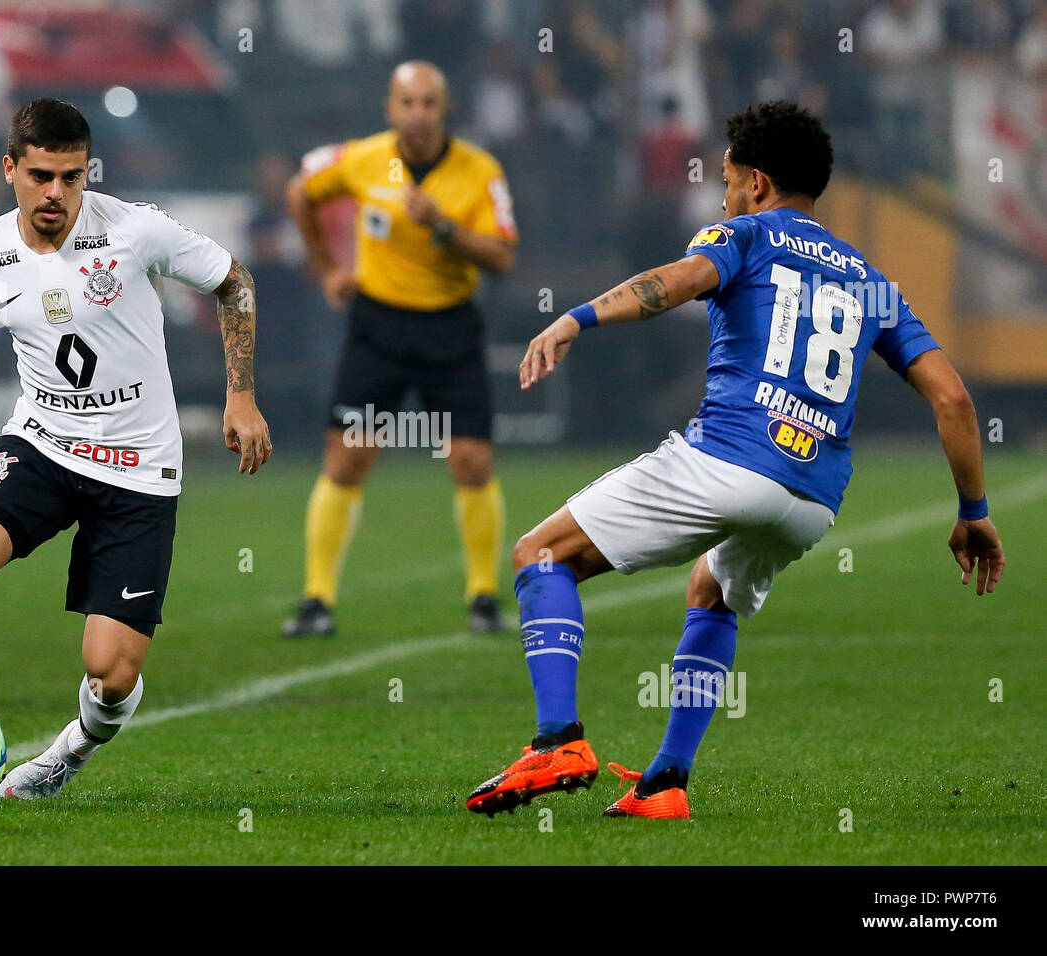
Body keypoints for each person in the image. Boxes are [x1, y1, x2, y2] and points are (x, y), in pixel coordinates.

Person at [466, 101, 1006, 820]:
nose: (721, 193)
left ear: (756, 182)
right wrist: (973, 511)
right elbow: (955, 400)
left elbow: (683, 282)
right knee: (711, 592)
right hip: (811, 501)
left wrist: (577, 318)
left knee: (542, 555)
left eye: (725, 179)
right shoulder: (874, 280)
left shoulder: (744, 234)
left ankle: (557, 739)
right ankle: (664, 786)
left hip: (728, 461)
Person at [0, 98, 270, 804]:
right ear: (10, 170)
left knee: (110, 674)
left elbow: (234, 281)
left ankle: (69, 753)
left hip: (139, 467)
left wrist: (240, 395)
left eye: (70, 176)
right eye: (39, 176)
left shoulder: (136, 229)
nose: (55, 193)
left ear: (87, 171)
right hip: (44, 445)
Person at [282, 60, 519, 638]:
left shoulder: (478, 171)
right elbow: (300, 191)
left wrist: (444, 228)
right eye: (407, 102)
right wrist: (326, 269)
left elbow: (503, 258)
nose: (417, 114)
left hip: (450, 329)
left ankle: (483, 597)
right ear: (390, 108)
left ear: (446, 109)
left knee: (471, 461)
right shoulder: (363, 158)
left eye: (428, 103)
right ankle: (318, 600)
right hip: (379, 328)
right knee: (346, 459)